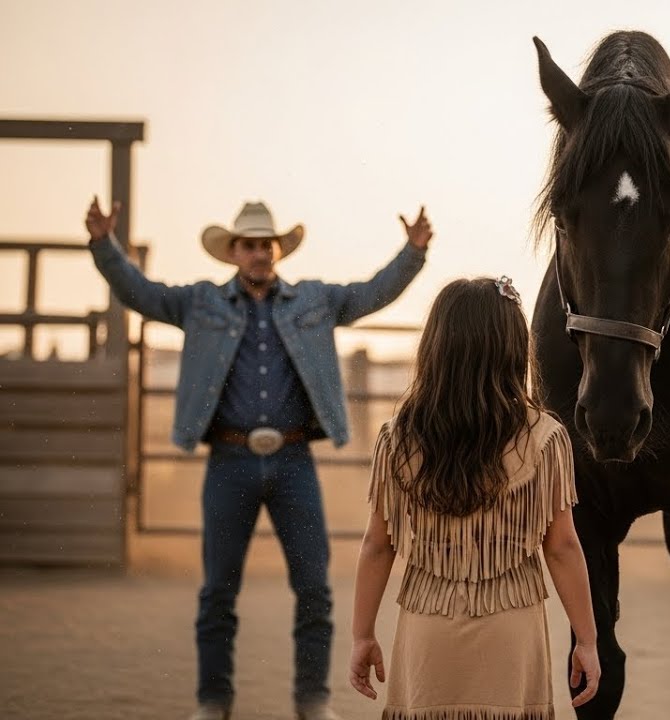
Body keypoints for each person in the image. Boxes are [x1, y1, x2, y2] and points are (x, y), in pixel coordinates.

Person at [84, 197, 434, 720]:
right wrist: (103, 246)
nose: (259, 253)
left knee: (314, 587)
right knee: (217, 592)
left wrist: (412, 251)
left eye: (266, 244)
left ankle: (312, 700)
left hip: (294, 459)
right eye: (248, 245)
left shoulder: (313, 300)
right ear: (233, 252)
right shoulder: (200, 303)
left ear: (277, 250)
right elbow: (142, 293)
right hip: (230, 459)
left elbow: (370, 294)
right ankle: (213, 701)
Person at [348, 276, 601, 719]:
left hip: (429, 628)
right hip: (512, 628)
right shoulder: (545, 439)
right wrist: (587, 640)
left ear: (435, 348)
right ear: (513, 349)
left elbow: (377, 545)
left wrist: (362, 636)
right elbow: (561, 547)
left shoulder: (397, 440)